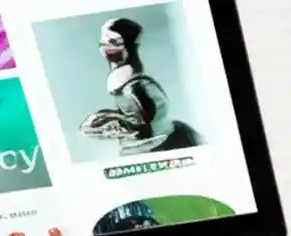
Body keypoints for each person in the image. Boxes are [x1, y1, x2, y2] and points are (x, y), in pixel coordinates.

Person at [80, 18, 203, 156]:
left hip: (164, 145)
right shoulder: (124, 84)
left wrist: (115, 119)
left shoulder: (137, 85)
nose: (104, 48)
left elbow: (146, 121)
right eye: (103, 42)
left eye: (113, 42)